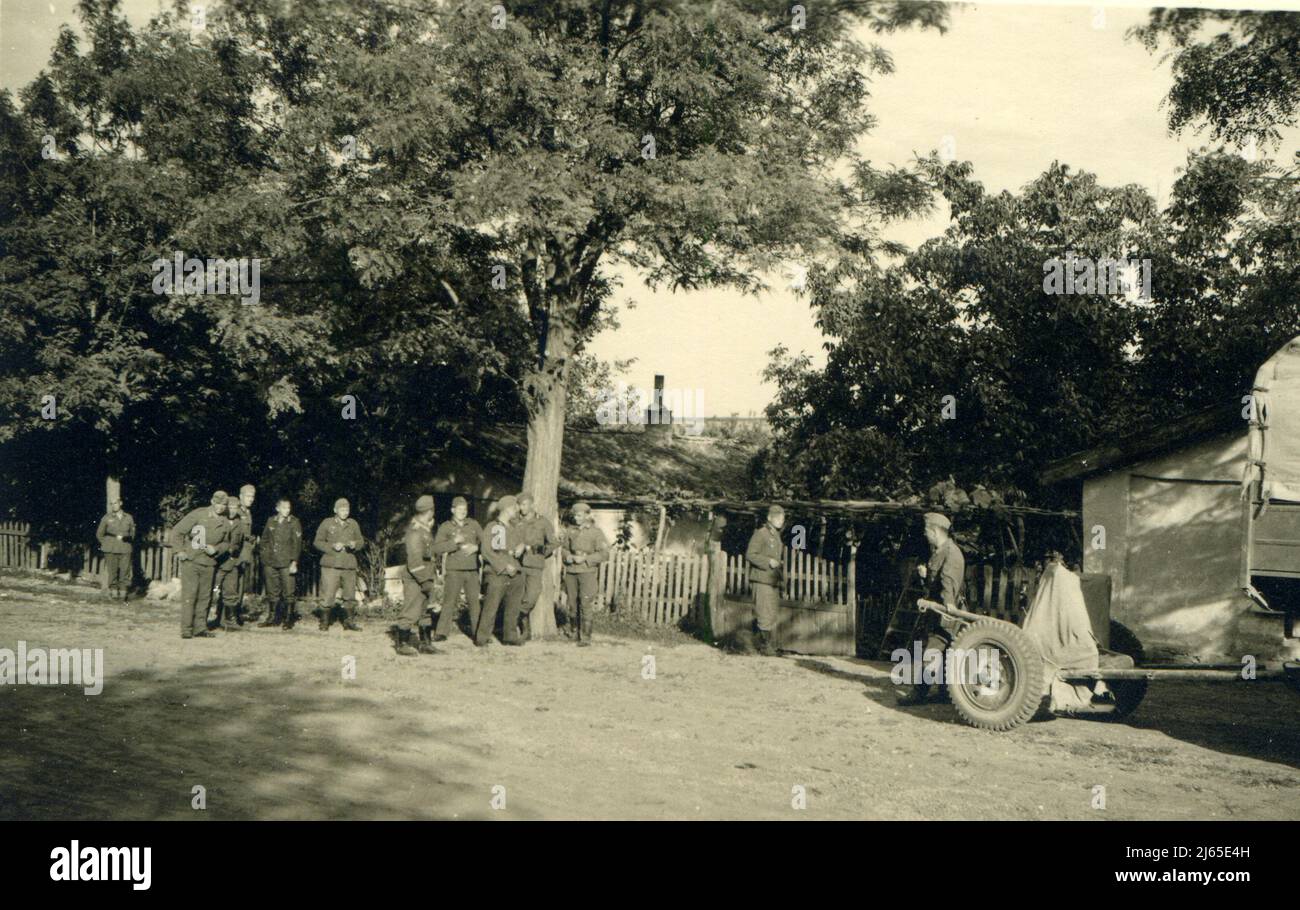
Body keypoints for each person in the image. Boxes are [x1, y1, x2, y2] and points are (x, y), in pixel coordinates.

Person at [896, 511, 967, 706]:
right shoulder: (940, 551)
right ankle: (944, 693)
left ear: (935, 531)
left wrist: (946, 606)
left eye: (926, 531)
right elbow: (935, 580)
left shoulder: (951, 553)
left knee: (932, 651)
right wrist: (924, 574)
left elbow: (948, 583)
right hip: (937, 610)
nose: (925, 535)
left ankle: (919, 692)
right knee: (944, 651)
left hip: (945, 612)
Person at [169, 491, 234, 639]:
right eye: (218, 503)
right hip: (192, 561)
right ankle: (186, 628)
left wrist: (216, 549)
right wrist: (179, 551)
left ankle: (200, 628)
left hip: (210, 563)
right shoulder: (199, 514)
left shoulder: (225, 522)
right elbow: (178, 531)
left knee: (205, 596)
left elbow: (226, 543)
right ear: (212, 501)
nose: (220, 507)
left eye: (224, 505)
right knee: (190, 595)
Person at [431, 496, 482, 641]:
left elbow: (486, 543)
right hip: (454, 570)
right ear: (453, 510)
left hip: (472, 570)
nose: (463, 512)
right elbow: (437, 548)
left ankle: (479, 633)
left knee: (474, 603)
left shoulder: (474, 525)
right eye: (459, 509)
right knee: (449, 601)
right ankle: (441, 633)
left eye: (465, 509)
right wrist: (454, 542)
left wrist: (476, 548)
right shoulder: (446, 527)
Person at [395, 495, 440, 657]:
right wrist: (425, 581)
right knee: (411, 610)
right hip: (416, 577)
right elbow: (414, 562)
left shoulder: (424, 530)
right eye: (432, 509)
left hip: (425, 575)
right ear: (429, 511)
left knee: (425, 611)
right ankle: (402, 644)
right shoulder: (415, 532)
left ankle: (425, 643)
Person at [476, 496, 524, 647]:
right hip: (497, 572)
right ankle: (482, 638)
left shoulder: (514, 527)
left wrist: (521, 546)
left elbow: (519, 544)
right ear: (507, 509)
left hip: (515, 569)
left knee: (513, 606)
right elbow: (486, 551)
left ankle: (510, 636)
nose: (517, 511)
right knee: (492, 605)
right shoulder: (493, 527)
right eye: (514, 508)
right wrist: (503, 566)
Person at [562, 502, 609, 647]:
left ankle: (586, 636)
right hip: (571, 571)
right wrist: (567, 557)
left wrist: (586, 559)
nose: (576, 518)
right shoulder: (571, 531)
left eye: (580, 515)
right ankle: (574, 632)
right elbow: (564, 548)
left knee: (585, 603)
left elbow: (604, 554)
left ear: (587, 516)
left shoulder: (596, 532)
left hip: (587, 572)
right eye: (575, 515)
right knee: (572, 603)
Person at [315, 498, 365, 632]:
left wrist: (355, 545)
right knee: (328, 594)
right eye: (342, 510)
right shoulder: (327, 523)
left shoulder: (353, 523)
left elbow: (361, 541)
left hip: (348, 564)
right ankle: (324, 622)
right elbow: (317, 542)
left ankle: (349, 622)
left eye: (347, 510)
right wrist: (332, 546)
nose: (344, 512)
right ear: (335, 510)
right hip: (331, 564)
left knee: (349, 595)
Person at [513, 492, 558, 642]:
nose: (522, 508)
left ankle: (521, 616)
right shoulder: (515, 522)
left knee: (532, 596)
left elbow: (553, 543)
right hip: (517, 565)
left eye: (524, 504)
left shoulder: (543, 522)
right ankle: (525, 630)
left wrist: (534, 551)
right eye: (519, 505)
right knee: (516, 596)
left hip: (534, 565)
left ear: (532, 505)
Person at [745, 504, 785, 656]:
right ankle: (764, 647)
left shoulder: (775, 535)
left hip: (771, 580)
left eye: (782, 517)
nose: (781, 520)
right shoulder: (761, 533)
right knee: (764, 613)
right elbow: (750, 554)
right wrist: (768, 561)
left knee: (770, 613)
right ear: (769, 518)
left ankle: (764, 646)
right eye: (777, 517)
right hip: (762, 580)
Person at [214, 484, 256, 630]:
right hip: (233, 555)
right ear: (241, 496)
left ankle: (231, 617)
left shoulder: (247, 512)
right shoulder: (234, 510)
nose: (251, 499)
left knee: (238, 587)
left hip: (243, 554)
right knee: (231, 587)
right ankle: (225, 618)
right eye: (248, 496)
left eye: (253, 496)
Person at [260, 497, 302, 629]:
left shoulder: (294, 522)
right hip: (271, 562)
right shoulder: (271, 521)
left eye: (288, 508)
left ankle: (288, 619)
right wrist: (265, 557)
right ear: (277, 508)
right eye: (284, 508)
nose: (287, 510)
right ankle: (272, 617)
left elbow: (297, 545)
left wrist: (294, 562)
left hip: (286, 562)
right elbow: (264, 540)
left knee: (288, 591)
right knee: (272, 591)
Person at [96, 497, 135, 600]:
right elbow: (99, 534)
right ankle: (113, 593)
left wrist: (127, 538)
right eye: (112, 504)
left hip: (125, 548)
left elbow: (133, 533)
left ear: (120, 503)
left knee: (124, 571)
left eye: (115, 503)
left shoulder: (129, 517)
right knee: (112, 572)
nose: (114, 505)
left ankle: (123, 594)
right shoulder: (106, 517)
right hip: (111, 549)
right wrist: (107, 543)